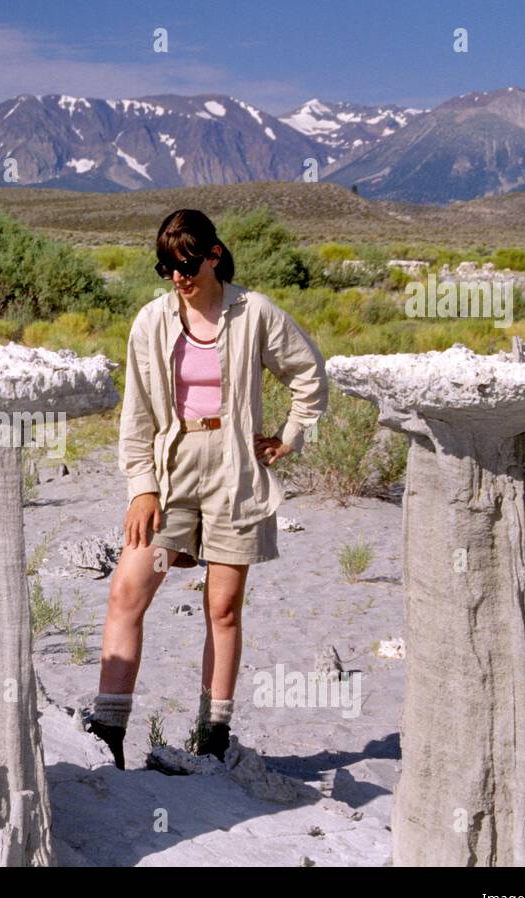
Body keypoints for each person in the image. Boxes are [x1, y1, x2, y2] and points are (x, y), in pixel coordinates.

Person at [85, 208, 328, 768]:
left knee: (222, 608)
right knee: (129, 589)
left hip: (236, 471)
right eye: (166, 267)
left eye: (187, 265)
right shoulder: (151, 321)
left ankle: (212, 738)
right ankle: (108, 729)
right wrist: (140, 488)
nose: (178, 278)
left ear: (214, 255)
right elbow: (137, 412)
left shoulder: (255, 313)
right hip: (170, 469)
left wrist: (290, 438)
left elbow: (310, 374)